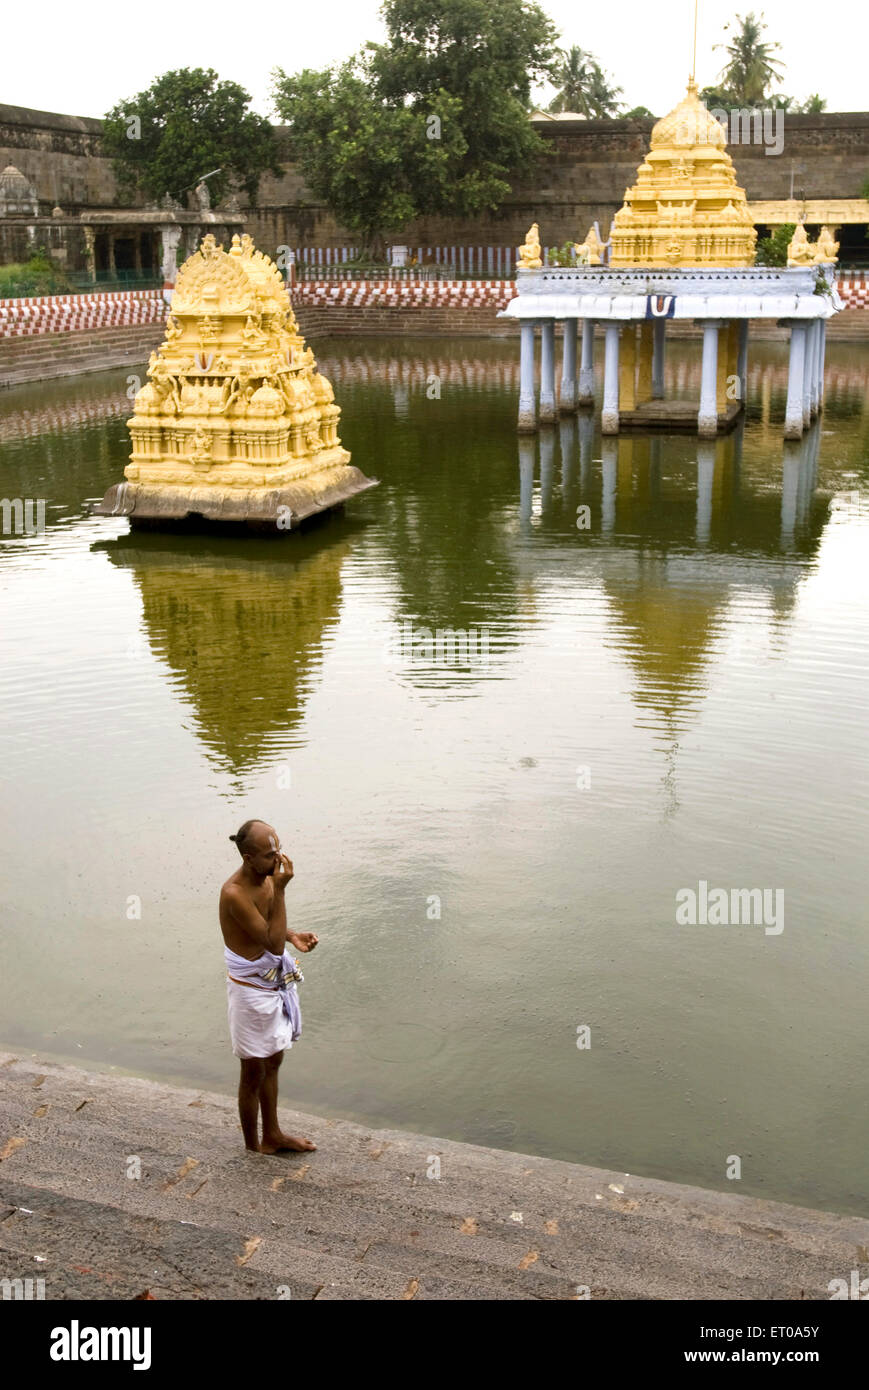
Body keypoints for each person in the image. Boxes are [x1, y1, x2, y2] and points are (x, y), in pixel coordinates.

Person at [219, 819, 319, 1153]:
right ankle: (253, 1147)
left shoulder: (265, 880)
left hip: (272, 985)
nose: (278, 860)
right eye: (269, 855)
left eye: (278, 850)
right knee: (253, 1070)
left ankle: (272, 1134)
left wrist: (292, 934)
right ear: (248, 858)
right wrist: (283, 888)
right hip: (250, 994)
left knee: (273, 1060)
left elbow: (270, 929)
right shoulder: (234, 893)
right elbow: (273, 948)